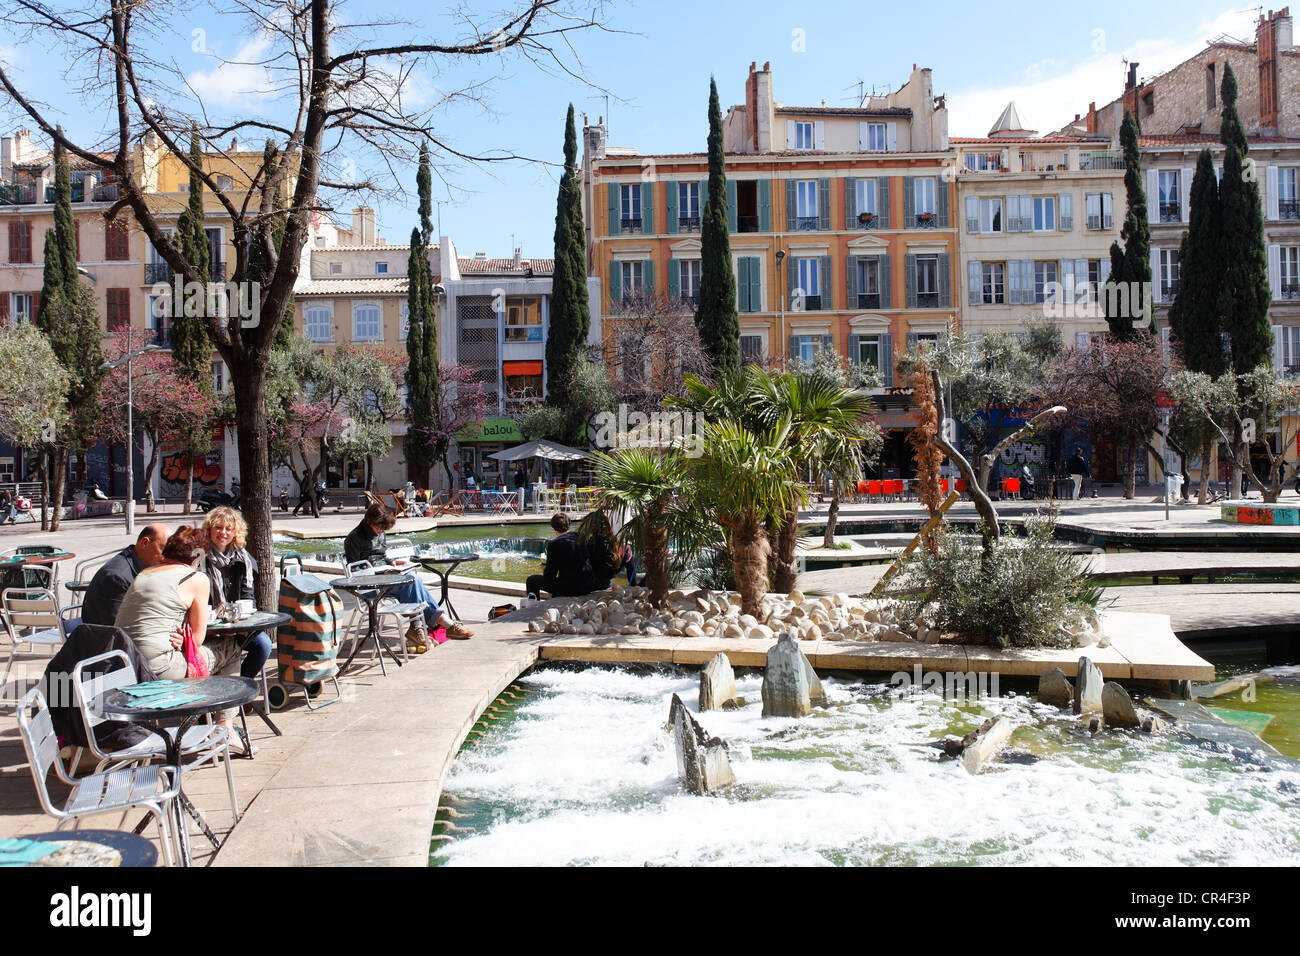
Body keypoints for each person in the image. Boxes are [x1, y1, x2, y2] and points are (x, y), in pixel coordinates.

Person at [114, 526, 247, 746]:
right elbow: (197, 639)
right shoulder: (195, 578)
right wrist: (186, 640)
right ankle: (225, 729)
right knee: (231, 648)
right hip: (158, 668)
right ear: (198, 555)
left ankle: (196, 722)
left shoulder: (145, 572)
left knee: (206, 652)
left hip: (126, 665)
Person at [344, 503, 473, 639]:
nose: (381, 531)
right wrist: (380, 573)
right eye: (379, 528)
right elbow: (355, 574)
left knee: (413, 579)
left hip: (385, 578)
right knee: (411, 582)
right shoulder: (354, 538)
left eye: (383, 529)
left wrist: (392, 563)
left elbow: (380, 555)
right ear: (369, 521)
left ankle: (418, 628)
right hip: (369, 586)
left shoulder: (380, 532)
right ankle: (442, 624)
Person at [201, 507, 272, 682]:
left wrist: (239, 626)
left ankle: (240, 687)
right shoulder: (198, 558)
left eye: (228, 529)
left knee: (264, 645)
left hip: (236, 625)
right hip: (205, 627)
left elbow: (249, 598)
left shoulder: (243, 558)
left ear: (235, 532)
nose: (223, 532)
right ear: (209, 529)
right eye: (218, 527)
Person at [81, 524, 171, 627]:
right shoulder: (116, 578)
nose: (168, 558)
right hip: (106, 638)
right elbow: (117, 628)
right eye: (164, 550)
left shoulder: (149, 566)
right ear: (145, 543)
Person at [525, 512, 594, 599]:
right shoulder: (582, 537)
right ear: (569, 525)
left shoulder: (555, 544)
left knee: (531, 580)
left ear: (554, 528)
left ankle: (533, 608)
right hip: (588, 585)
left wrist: (545, 568)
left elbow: (549, 577)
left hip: (571, 588)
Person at [578, 512, 619, 590]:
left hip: (597, 581)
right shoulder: (610, 538)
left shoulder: (595, 541)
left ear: (593, 526)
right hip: (607, 579)